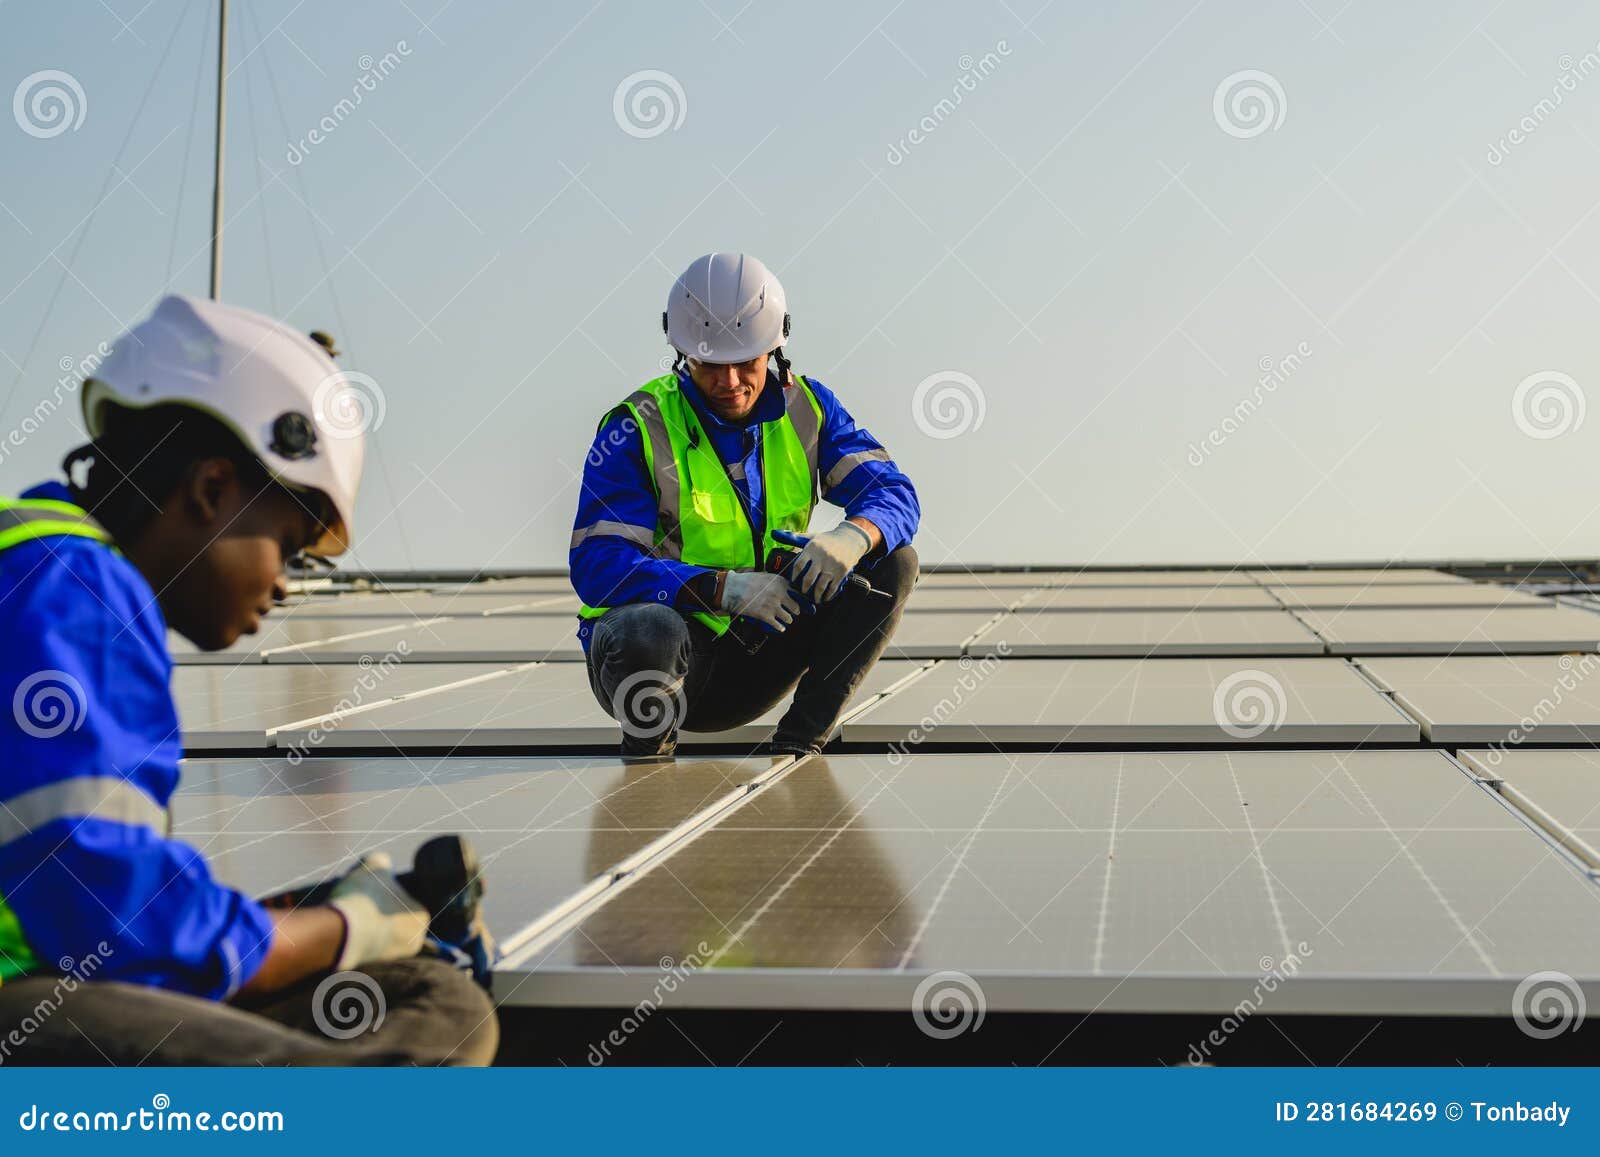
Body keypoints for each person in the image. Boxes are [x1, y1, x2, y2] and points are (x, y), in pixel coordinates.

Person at [0, 295, 497, 1065]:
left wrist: (292, 927)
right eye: (290, 546)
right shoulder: (80, 593)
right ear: (210, 489)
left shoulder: (37, 565)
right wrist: (343, 928)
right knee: (441, 1012)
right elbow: (114, 926)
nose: (288, 583)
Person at [570, 252, 920, 760]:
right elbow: (598, 565)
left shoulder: (809, 407)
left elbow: (895, 492)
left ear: (775, 350)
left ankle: (799, 748)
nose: (730, 383)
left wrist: (853, 536)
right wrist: (720, 589)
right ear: (683, 355)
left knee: (894, 560)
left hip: (764, 650)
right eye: (711, 365)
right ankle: (649, 760)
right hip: (668, 662)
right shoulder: (637, 426)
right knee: (648, 629)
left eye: (746, 363)